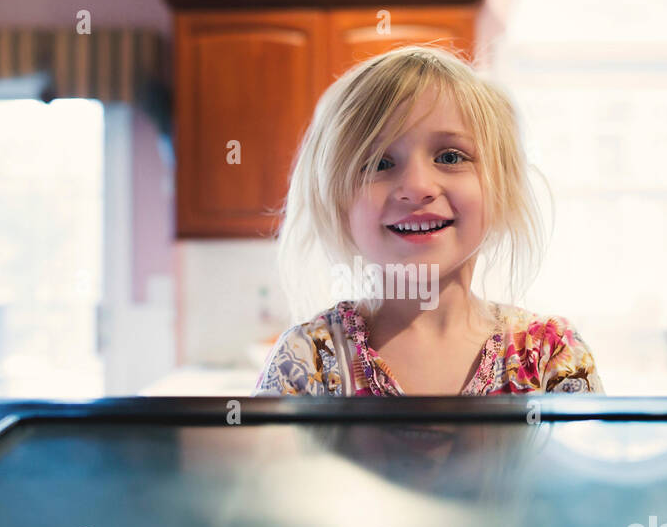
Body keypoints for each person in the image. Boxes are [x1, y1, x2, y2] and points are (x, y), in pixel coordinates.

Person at [253, 43, 603, 396]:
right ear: (336, 200)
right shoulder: (305, 362)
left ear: (501, 187)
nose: (417, 187)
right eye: (379, 164)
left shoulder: (551, 357)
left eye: (451, 157)